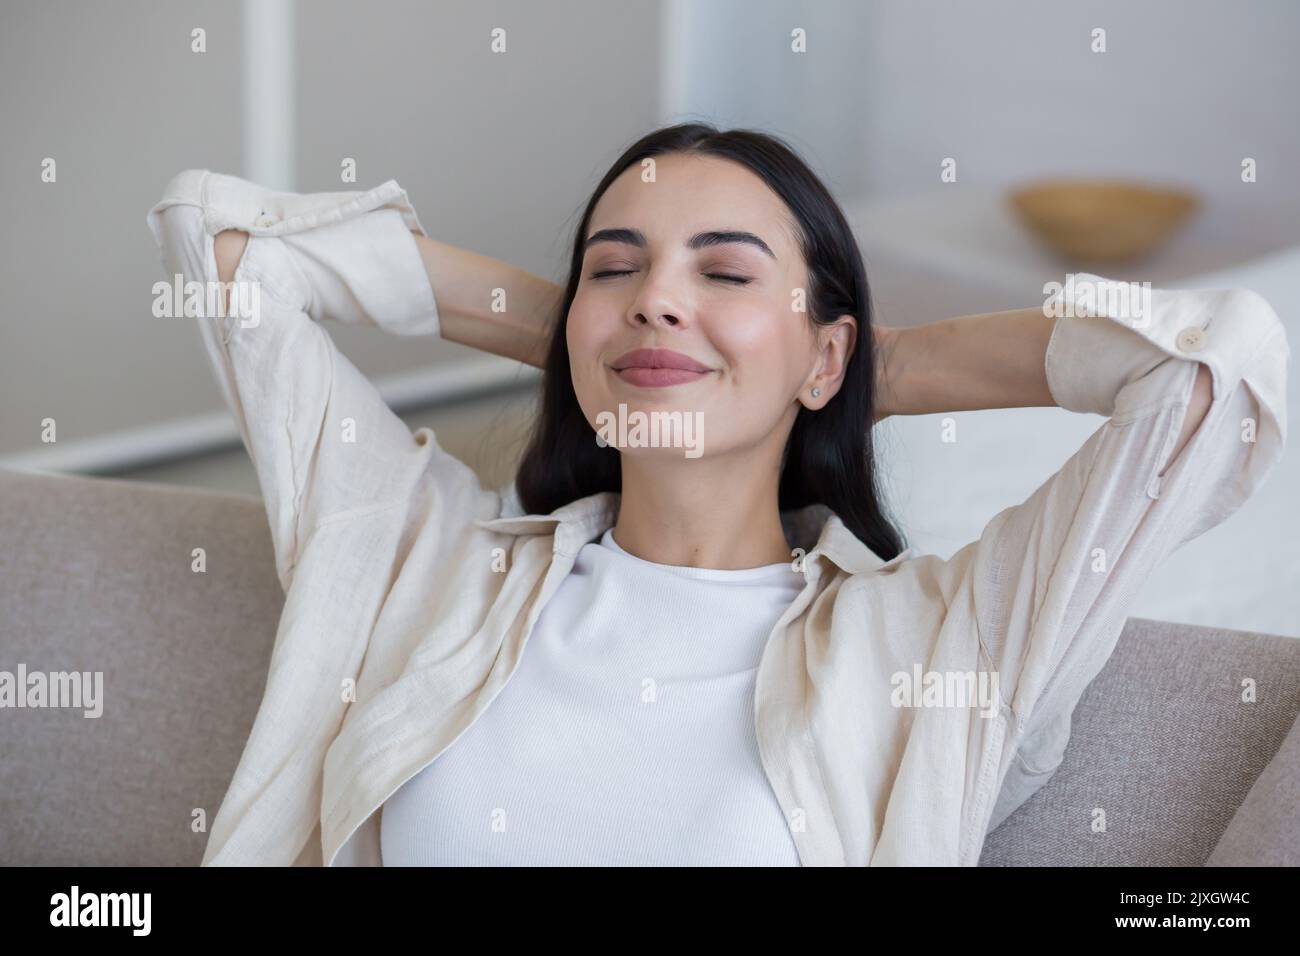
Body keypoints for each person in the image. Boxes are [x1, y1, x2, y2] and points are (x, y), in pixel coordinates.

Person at [145, 123, 1288, 866]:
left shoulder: (935, 640)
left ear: (831, 355)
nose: (657, 298)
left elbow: (1210, 383)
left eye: (727, 271)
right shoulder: (421, 556)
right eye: (615, 263)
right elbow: (228, 244)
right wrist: (599, 336)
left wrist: (864, 368)